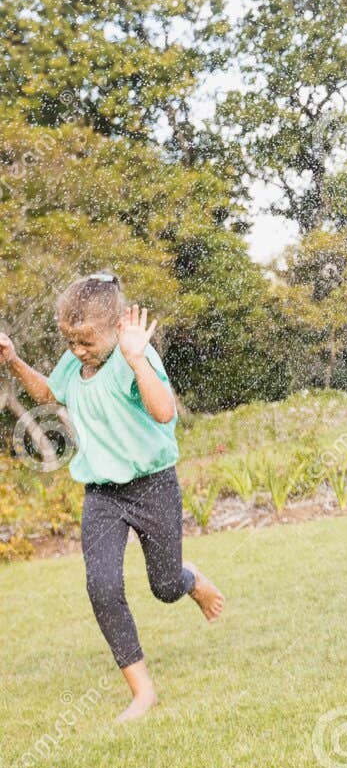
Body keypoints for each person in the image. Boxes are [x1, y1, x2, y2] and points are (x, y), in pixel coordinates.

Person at [0, 274, 224, 723]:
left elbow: (164, 413)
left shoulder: (132, 356)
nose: (77, 350)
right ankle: (143, 692)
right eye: (69, 341)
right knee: (101, 586)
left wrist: (138, 360)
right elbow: (49, 394)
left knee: (163, 587)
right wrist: (13, 359)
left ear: (116, 327)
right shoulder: (73, 360)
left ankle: (188, 578)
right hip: (102, 492)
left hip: (153, 485)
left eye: (84, 341)